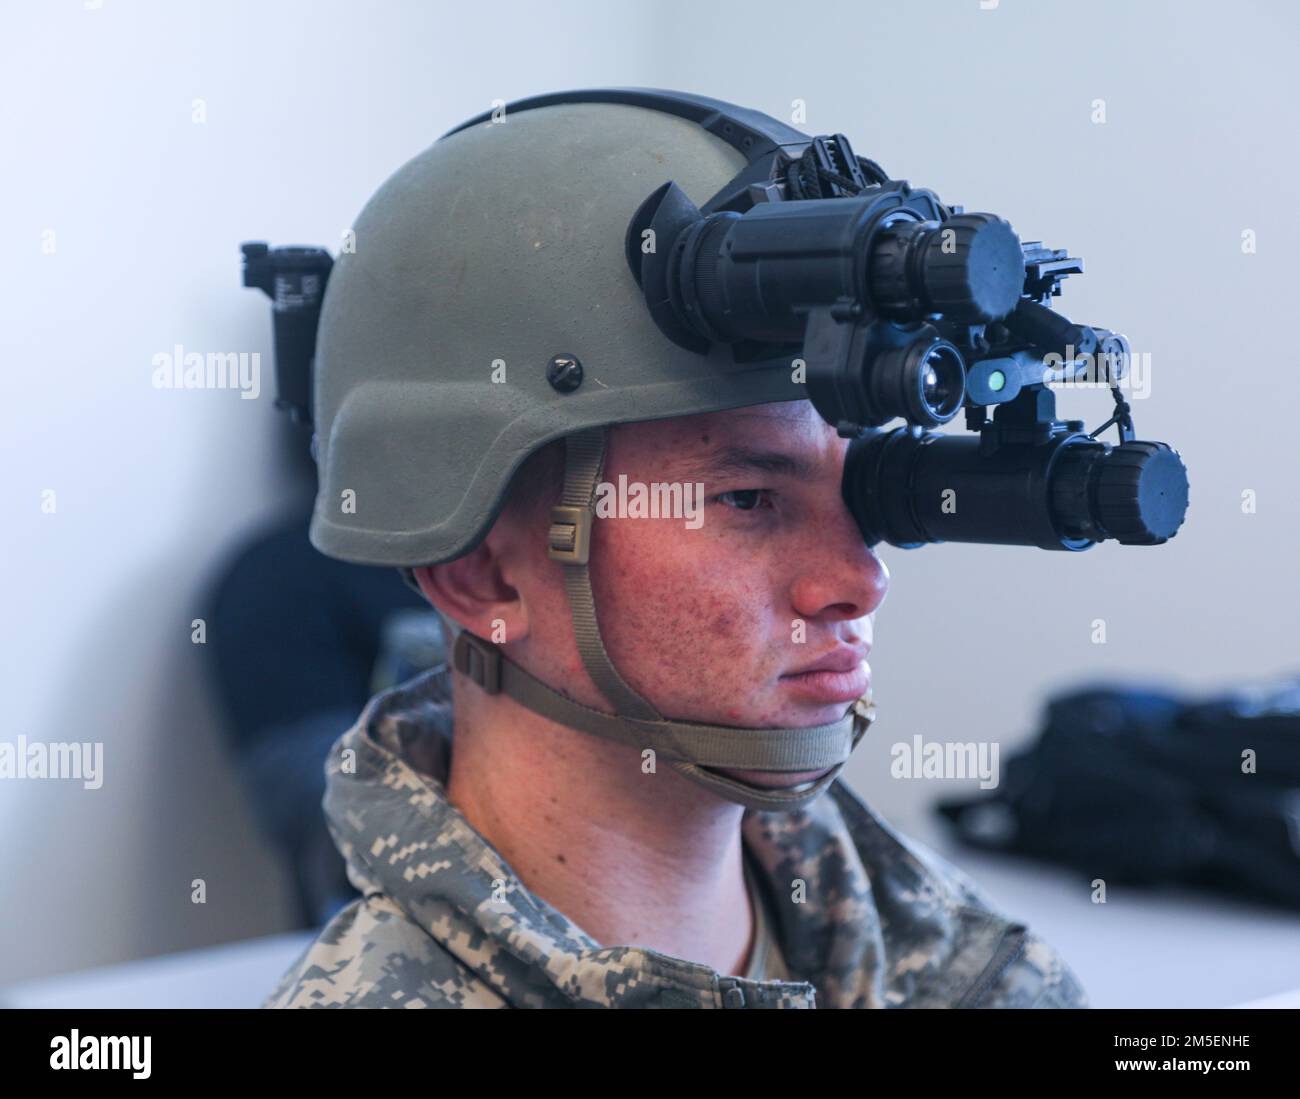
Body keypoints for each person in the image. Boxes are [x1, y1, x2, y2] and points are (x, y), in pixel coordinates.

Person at [263, 90, 1088, 1009]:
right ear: (482, 571)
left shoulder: (964, 970)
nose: (859, 581)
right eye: (747, 498)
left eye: (861, 492)